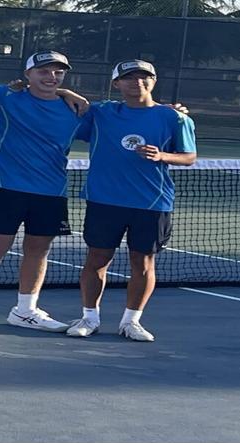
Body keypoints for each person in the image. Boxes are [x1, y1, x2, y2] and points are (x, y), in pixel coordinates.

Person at [0, 51, 88, 336]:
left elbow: (123, 118)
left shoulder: (75, 109)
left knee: (38, 251)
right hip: (5, 188)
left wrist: (173, 111)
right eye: (44, 71)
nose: (51, 77)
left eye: (57, 72)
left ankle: (25, 311)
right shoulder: (4, 97)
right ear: (28, 74)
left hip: (51, 192)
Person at [68, 60, 197, 342]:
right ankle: (89, 317)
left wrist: (162, 155)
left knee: (143, 263)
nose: (136, 82)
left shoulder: (175, 118)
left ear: (153, 81)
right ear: (116, 84)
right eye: (128, 78)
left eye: (143, 77)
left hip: (152, 203)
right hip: (104, 200)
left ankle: (131, 322)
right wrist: (68, 92)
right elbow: (59, 103)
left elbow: (189, 157)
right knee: (97, 259)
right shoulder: (101, 113)